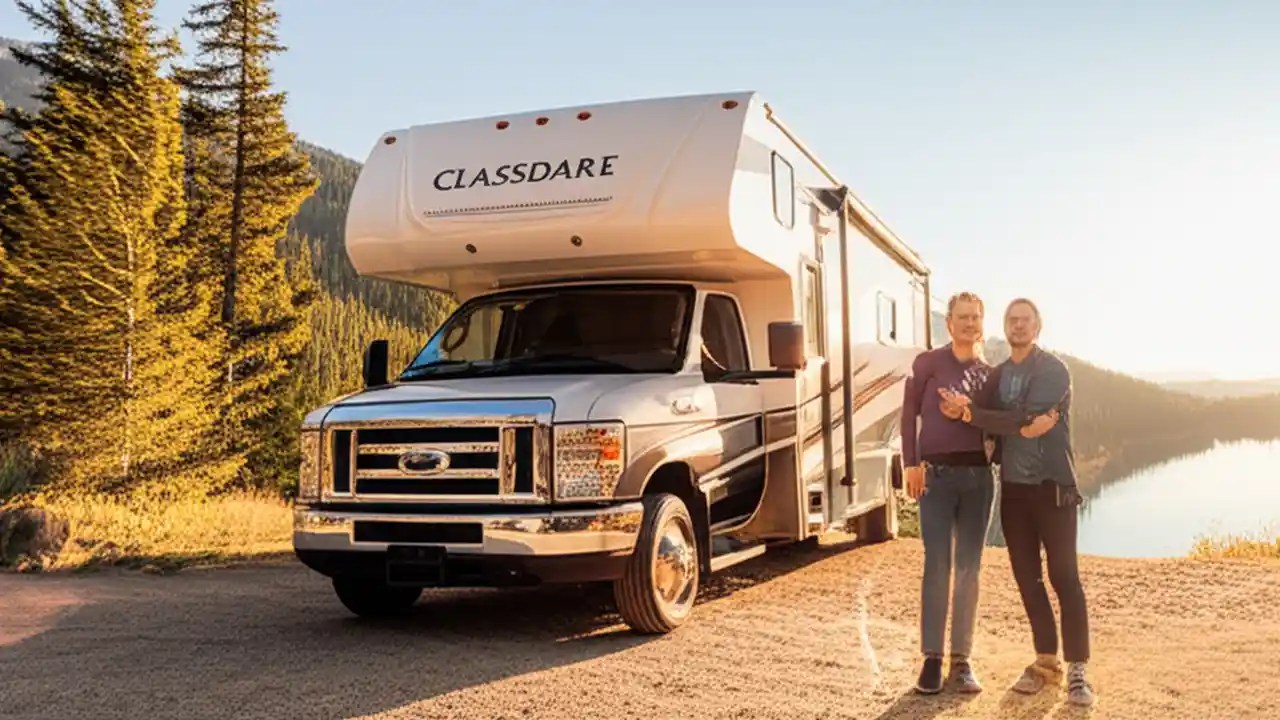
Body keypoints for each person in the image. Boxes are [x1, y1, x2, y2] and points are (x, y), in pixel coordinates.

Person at [938, 298, 1095, 708]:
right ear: (1004, 327)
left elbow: (1025, 418)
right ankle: (1047, 663)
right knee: (1028, 579)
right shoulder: (999, 374)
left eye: (1025, 320)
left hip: (1054, 488)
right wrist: (969, 412)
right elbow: (1004, 418)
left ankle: (1078, 669)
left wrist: (982, 417)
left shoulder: (1053, 371)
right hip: (1014, 491)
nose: (1018, 326)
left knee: (1065, 578)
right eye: (1012, 320)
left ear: (1037, 326)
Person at [899, 292, 998, 695]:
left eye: (976, 317)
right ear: (949, 323)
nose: (969, 323)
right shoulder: (928, 364)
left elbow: (996, 422)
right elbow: (909, 415)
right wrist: (910, 462)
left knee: (969, 570)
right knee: (937, 566)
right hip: (935, 478)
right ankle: (931, 660)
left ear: (982, 322)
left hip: (978, 478)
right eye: (962, 317)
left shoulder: (990, 375)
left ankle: (962, 661)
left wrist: (971, 410)